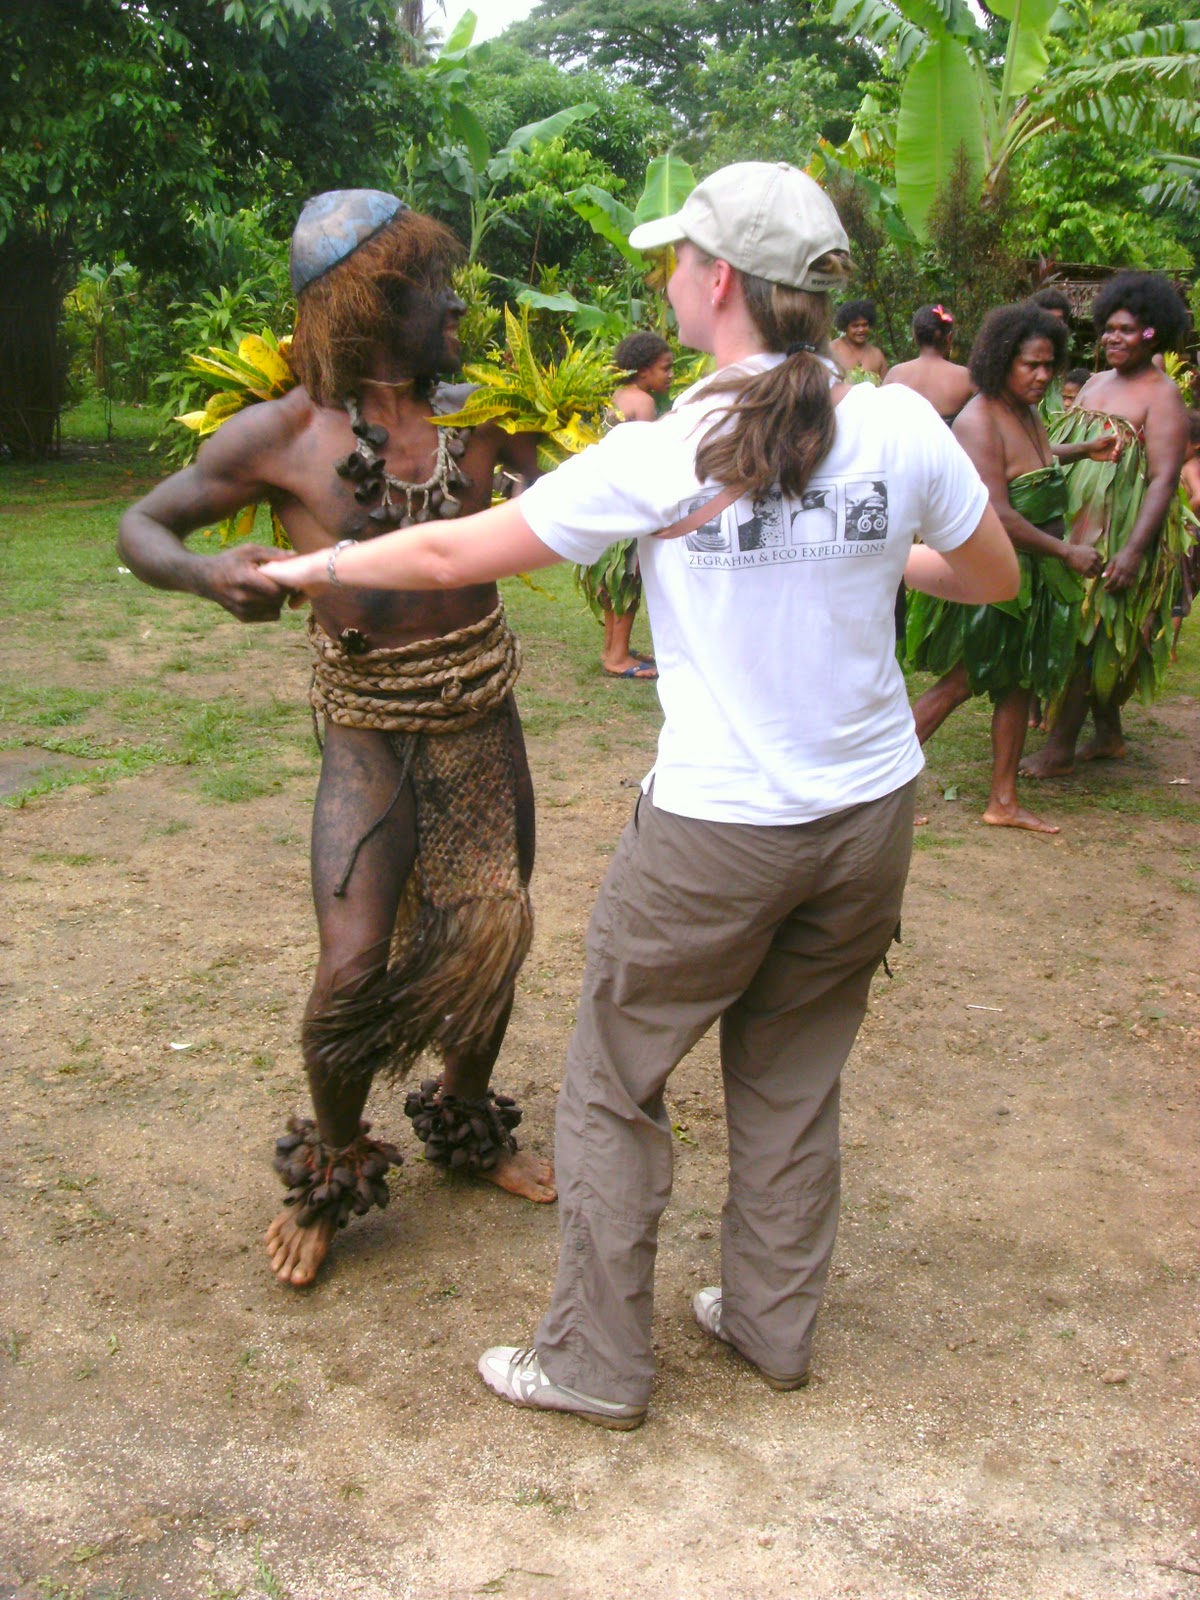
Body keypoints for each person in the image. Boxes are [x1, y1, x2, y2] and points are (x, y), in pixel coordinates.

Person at [263, 161, 1018, 1428]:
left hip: (717, 833)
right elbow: (986, 577)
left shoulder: (662, 449)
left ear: (721, 281)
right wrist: (875, 546)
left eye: (677, 258)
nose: (665, 276)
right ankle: (772, 1327)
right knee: (790, 1075)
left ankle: (597, 1363)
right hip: (870, 818)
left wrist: (315, 564)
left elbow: (453, 547)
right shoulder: (898, 424)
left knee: (615, 1083)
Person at [117, 191, 555, 1291]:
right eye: (435, 289)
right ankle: (330, 1171)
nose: (458, 303)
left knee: (489, 931)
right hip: (370, 731)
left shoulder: (488, 412)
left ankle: (466, 1127)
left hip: (481, 714)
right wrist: (206, 571)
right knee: (353, 964)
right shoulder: (283, 436)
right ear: (377, 300)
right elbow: (142, 526)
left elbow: (573, 491)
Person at [905, 303, 1112, 834]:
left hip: (1031, 573)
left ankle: (1002, 799)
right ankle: (871, 785)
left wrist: (1083, 449)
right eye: (1031, 365)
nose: (1043, 376)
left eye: (1049, 365)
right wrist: (1066, 552)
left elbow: (1034, 462)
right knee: (960, 682)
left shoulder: (1027, 411)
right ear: (1002, 361)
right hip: (997, 573)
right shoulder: (978, 419)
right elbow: (996, 511)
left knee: (1017, 683)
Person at [1020, 271, 1191, 778]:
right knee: (1082, 626)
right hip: (1075, 527)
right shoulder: (1095, 383)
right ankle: (1110, 735)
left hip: (1122, 531)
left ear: (1152, 333)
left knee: (1089, 633)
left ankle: (1059, 748)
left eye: (1126, 330)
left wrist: (1135, 550)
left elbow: (1162, 480)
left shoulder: (1161, 398)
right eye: (1109, 329)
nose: (1113, 338)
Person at [576, 331, 673, 680]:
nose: (671, 375)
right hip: (629, 502)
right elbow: (644, 458)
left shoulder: (616, 395)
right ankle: (618, 656)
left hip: (605, 498)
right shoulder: (643, 402)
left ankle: (612, 648)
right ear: (644, 371)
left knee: (611, 577)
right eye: (666, 368)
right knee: (628, 577)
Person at [883, 304, 974, 423]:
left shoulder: (895, 375)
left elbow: (881, 417)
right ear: (949, 338)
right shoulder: (966, 377)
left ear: (915, 337)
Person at [1171, 408, 1200, 659]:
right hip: (1188, 535)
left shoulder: (1191, 466)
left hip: (1188, 536)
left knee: (1178, 592)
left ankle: (1169, 648)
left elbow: (1199, 495)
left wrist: (1185, 514)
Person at [831, 298, 889, 382]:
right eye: (855, 326)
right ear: (845, 327)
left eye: (864, 325)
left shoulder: (877, 354)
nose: (861, 330)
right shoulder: (832, 350)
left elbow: (886, 387)